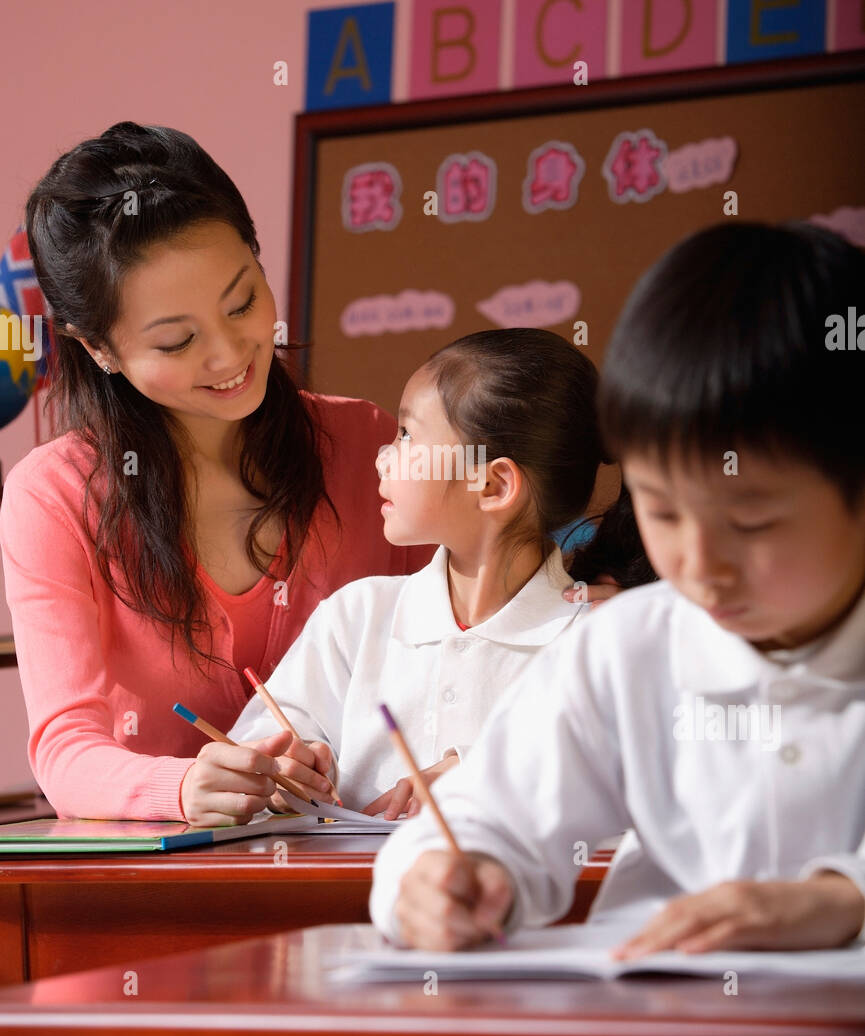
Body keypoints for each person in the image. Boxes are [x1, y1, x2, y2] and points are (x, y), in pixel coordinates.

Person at [369, 221, 865, 954]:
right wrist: (446, 875)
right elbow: (487, 817)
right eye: (662, 510)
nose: (699, 564)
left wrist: (842, 900)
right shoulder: (626, 648)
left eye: (753, 521)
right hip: (647, 1026)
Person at [0, 121, 435, 825]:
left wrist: (448, 761)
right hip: (174, 890)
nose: (231, 352)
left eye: (242, 301)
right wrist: (180, 787)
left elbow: (456, 654)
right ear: (99, 348)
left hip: (375, 870)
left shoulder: (368, 443)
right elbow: (66, 748)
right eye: (176, 339)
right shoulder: (53, 498)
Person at [228, 328, 657, 816]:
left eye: (408, 435)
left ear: (492, 484)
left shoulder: (599, 639)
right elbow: (258, 750)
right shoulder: (357, 617)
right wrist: (284, 766)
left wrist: (483, 772)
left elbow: (644, 782)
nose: (382, 456)